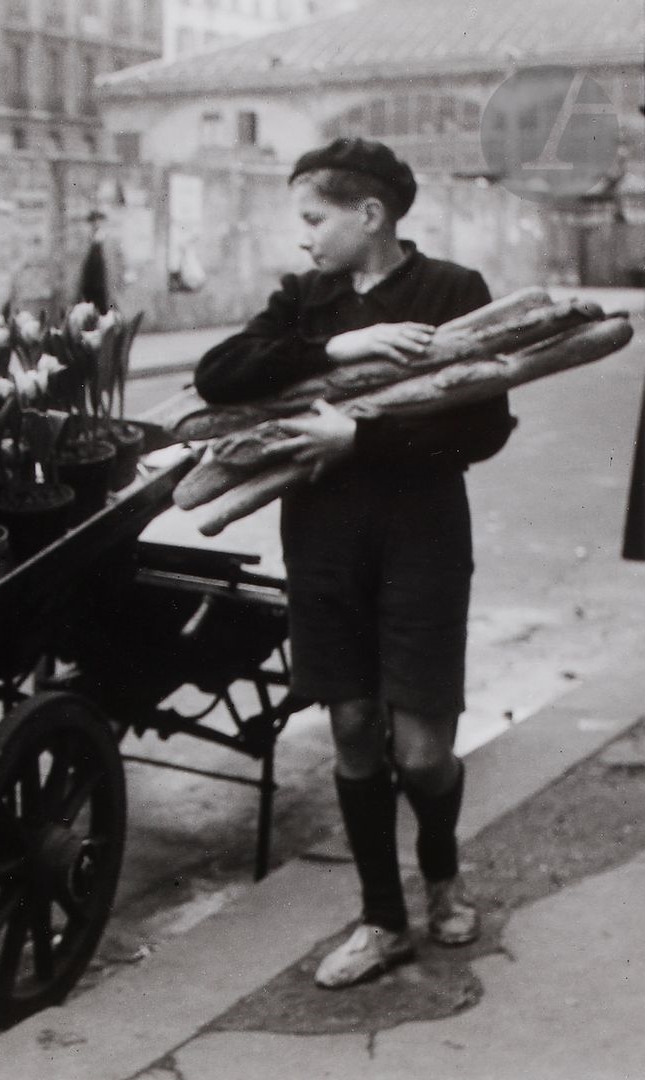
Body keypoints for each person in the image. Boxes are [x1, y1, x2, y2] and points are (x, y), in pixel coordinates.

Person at [193, 137, 516, 989]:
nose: (302, 238)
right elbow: (218, 374)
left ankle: (442, 879)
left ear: (367, 214)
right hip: (325, 545)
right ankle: (381, 920)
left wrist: (360, 433)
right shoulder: (307, 300)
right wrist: (336, 350)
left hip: (422, 541)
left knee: (418, 750)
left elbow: (484, 426)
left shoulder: (453, 292)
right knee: (348, 730)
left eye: (313, 218)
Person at [77, 209, 110, 310]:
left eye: (98, 221)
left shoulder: (106, 242)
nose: (96, 225)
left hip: (102, 284)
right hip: (89, 283)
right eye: (93, 222)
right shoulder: (87, 243)